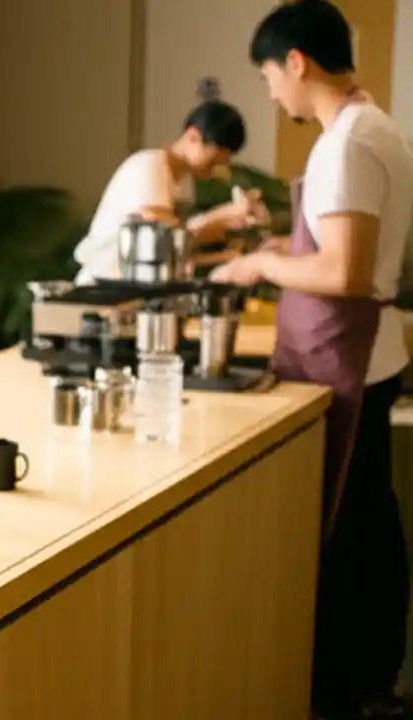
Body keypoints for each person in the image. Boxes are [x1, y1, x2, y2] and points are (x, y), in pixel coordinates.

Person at [211, 2, 413, 717]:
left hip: (347, 358)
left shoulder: (349, 143)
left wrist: (257, 265)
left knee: (348, 535)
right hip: (365, 357)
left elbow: (345, 272)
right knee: (368, 524)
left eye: (269, 74)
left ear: (296, 61)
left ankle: (346, 691)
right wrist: (280, 249)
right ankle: (370, 684)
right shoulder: (372, 126)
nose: (271, 92)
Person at [72, 100, 266, 284]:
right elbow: (163, 236)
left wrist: (228, 239)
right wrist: (219, 216)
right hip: (102, 287)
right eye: (214, 160)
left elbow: (179, 248)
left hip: (132, 289)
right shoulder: (150, 166)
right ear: (193, 136)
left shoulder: (182, 182)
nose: (220, 167)